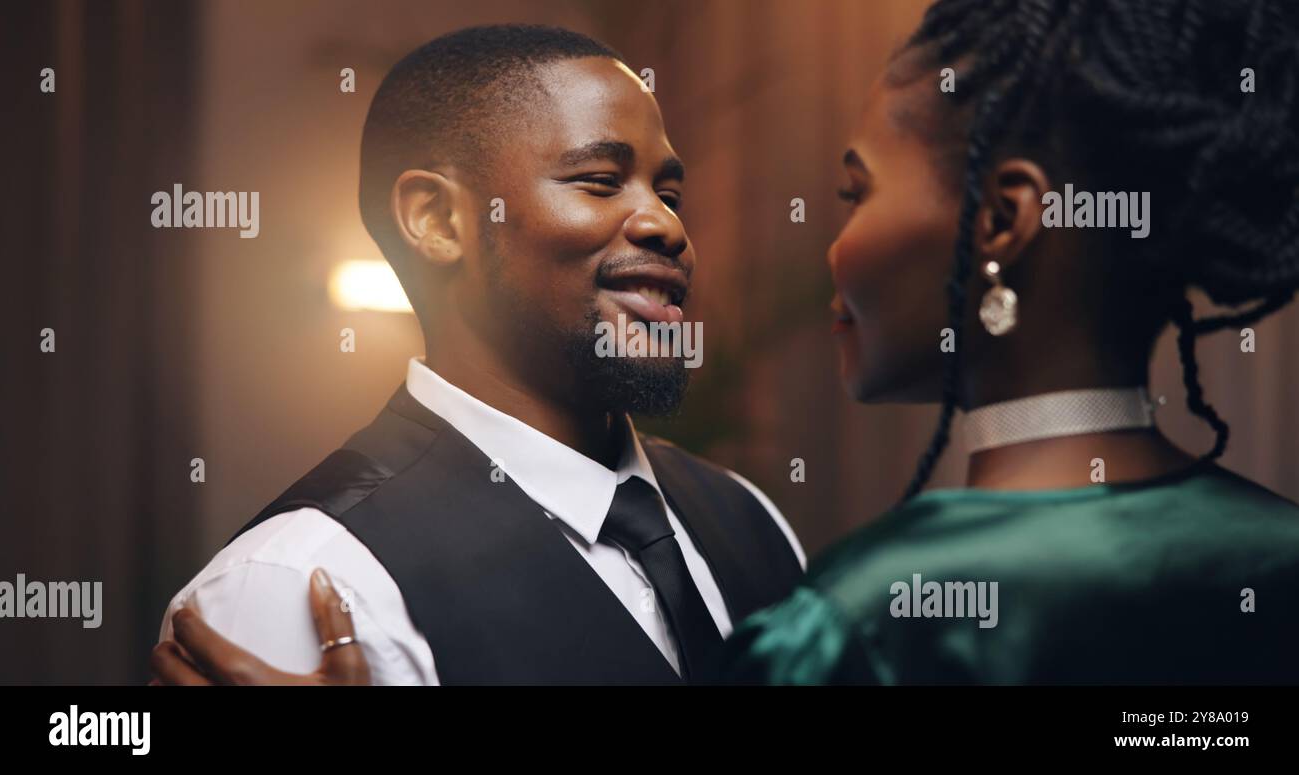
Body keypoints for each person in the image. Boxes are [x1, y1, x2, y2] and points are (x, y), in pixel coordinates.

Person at [152, 24, 805, 687]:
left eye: (669, 195)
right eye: (601, 180)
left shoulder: (752, 519)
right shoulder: (295, 585)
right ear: (437, 220)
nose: (669, 226)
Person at [721, 0, 1299, 684]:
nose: (835, 249)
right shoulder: (1278, 557)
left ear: (1001, 219)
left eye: (856, 193)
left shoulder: (860, 627)